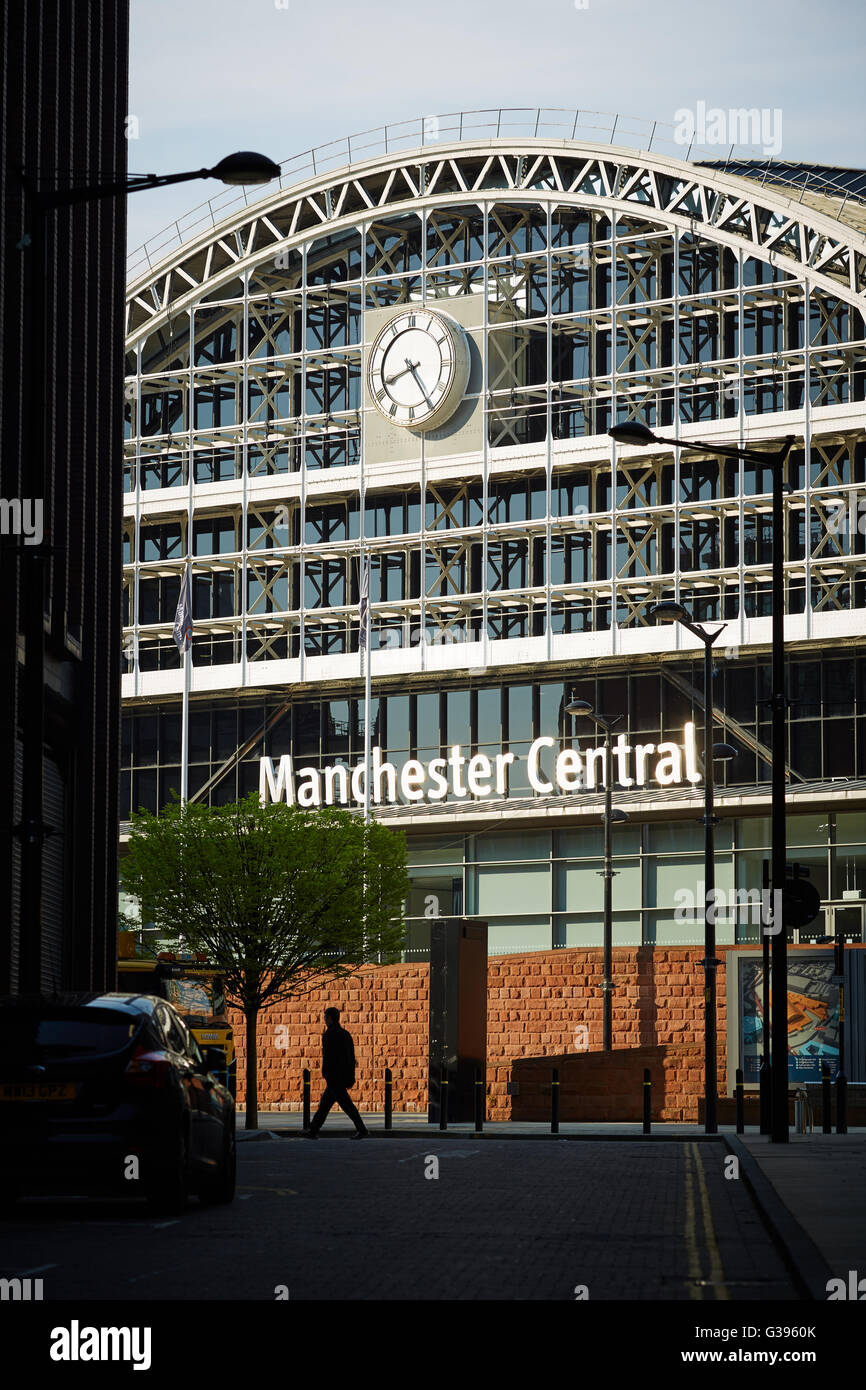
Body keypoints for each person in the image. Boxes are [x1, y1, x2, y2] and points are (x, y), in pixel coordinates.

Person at [302, 1007, 369, 1138]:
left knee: (346, 1106)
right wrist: (350, 1076)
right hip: (343, 1076)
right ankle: (313, 1130)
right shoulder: (346, 1034)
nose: (324, 1020)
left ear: (331, 1018)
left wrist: (326, 1073)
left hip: (334, 1077)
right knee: (325, 1105)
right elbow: (351, 1058)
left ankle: (362, 1129)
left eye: (325, 1018)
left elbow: (328, 1057)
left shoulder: (328, 1035)